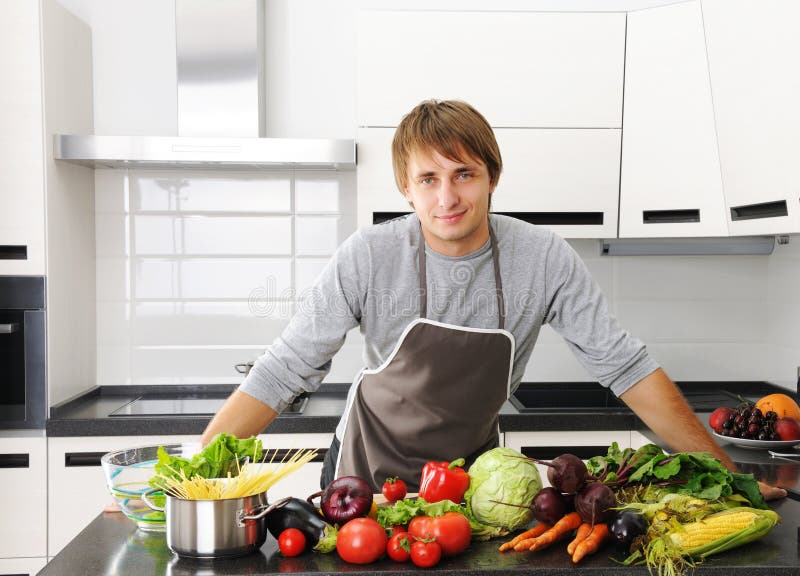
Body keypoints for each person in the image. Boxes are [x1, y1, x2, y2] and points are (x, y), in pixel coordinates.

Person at [202, 99, 786, 501]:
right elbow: (284, 369)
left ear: (492, 176)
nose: (447, 197)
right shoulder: (369, 256)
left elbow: (627, 369)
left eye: (464, 173)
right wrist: (191, 477)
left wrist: (730, 477)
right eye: (428, 179)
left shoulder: (543, 257)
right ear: (405, 187)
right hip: (366, 483)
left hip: (473, 484)